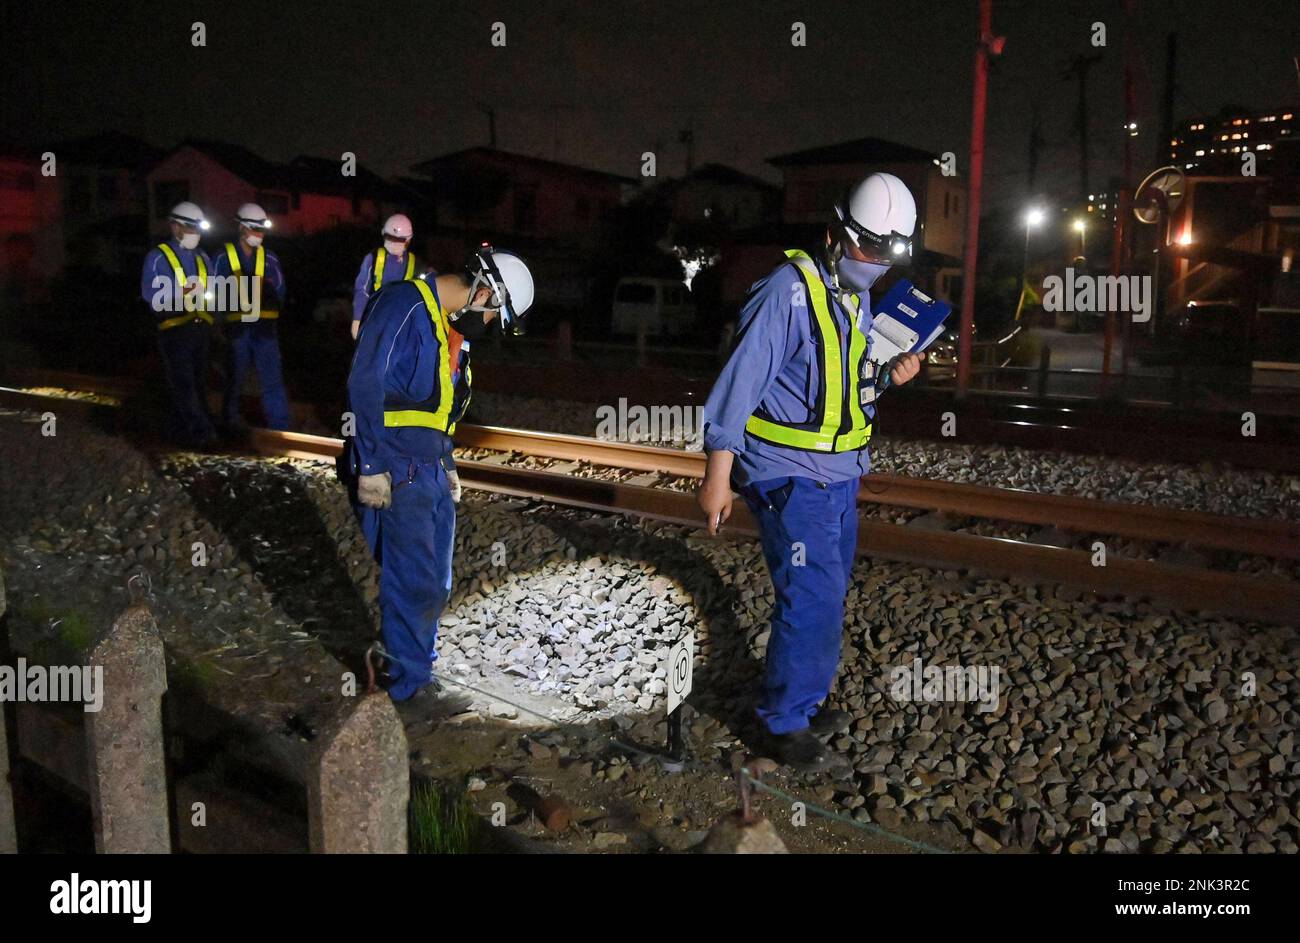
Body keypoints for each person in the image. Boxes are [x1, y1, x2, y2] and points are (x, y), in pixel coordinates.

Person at [696, 173, 925, 774]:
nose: (876, 264)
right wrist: (717, 473)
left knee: (826, 592)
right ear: (837, 232)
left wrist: (886, 379)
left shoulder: (854, 297)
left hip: (839, 477)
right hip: (787, 477)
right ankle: (783, 721)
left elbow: (841, 387)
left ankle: (805, 697)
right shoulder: (785, 291)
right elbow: (738, 383)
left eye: (889, 254)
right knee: (812, 594)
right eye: (868, 249)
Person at [344, 245, 534, 709]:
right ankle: (407, 688)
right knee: (413, 579)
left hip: (427, 464)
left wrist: (447, 461)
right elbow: (366, 382)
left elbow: (440, 409)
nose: (488, 324)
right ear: (486, 291)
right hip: (394, 461)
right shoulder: (403, 303)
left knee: (434, 581)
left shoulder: (449, 332)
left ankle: (413, 667)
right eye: (495, 313)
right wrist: (370, 465)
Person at [140, 201, 218, 447]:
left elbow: (213, 291)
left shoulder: (203, 257)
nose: (195, 233)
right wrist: (182, 292)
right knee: (184, 382)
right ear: (175, 227)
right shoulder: (158, 257)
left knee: (195, 382)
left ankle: (177, 432)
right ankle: (201, 432)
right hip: (174, 329)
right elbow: (151, 295)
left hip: (200, 328)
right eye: (190, 227)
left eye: (198, 228)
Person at [212, 203, 291, 430]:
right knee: (234, 378)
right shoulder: (222, 257)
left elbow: (280, 292)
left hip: (264, 329)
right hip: (236, 329)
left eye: (261, 229)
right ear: (241, 228)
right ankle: (230, 422)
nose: (259, 234)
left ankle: (279, 426)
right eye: (254, 229)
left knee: (272, 379)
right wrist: (216, 323)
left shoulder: (270, 259)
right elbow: (213, 291)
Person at [351, 214, 419, 340]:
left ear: (408, 240)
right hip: (375, 315)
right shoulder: (373, 258)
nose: (394, 243)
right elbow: (362, 289)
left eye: (400, 240)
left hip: (400, 318)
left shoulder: (412, 261)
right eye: (390, 238)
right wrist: (357, 318)